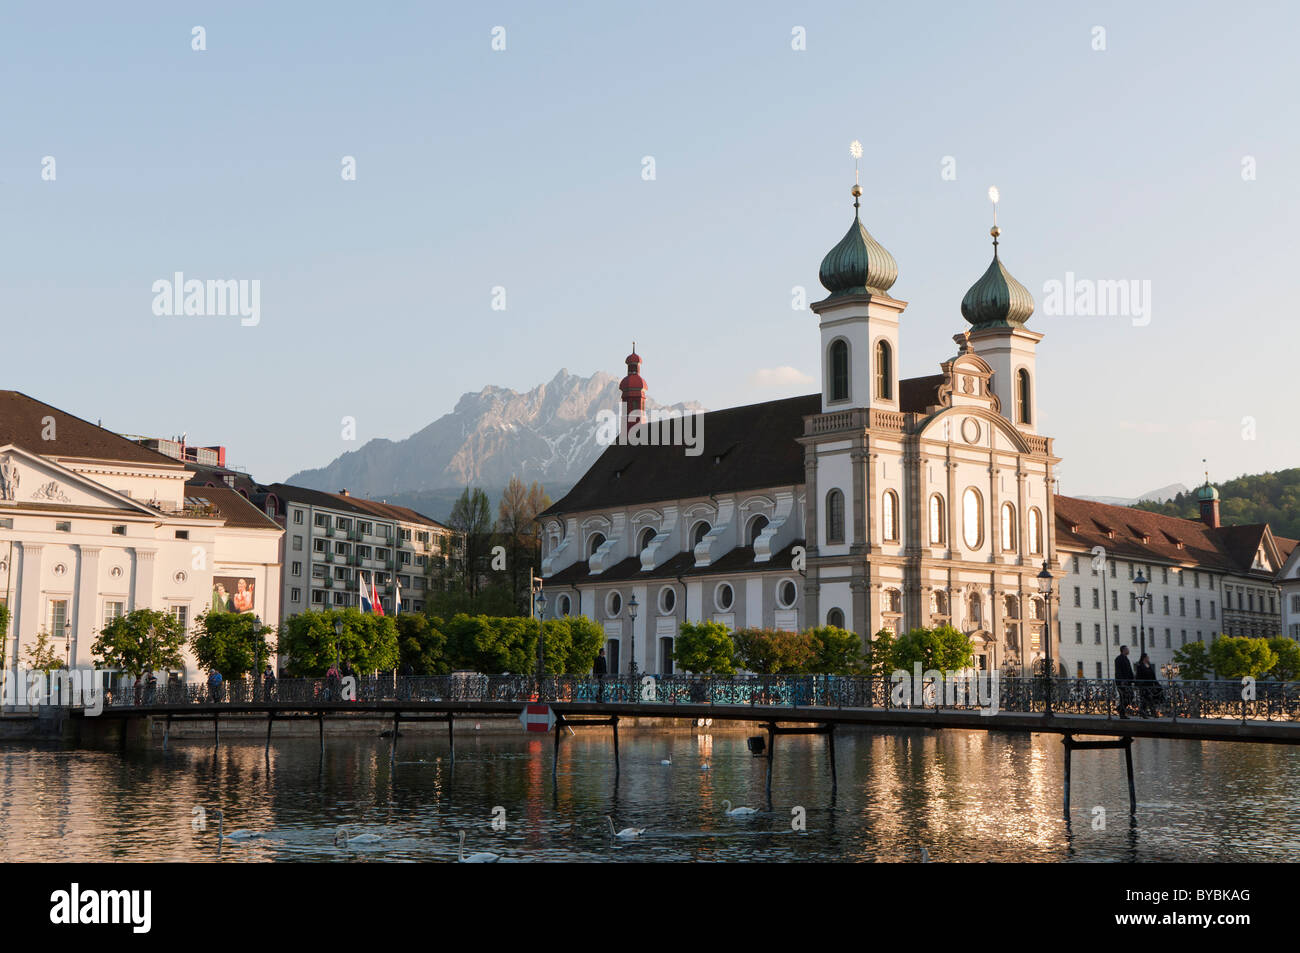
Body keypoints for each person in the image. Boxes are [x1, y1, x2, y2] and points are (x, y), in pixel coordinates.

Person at [1135, 652, 1160, 717]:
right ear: (1144, 658)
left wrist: (1156, 683)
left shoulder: (1148, 665)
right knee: (1146, 699)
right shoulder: (1140, 666)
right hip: (1144, 685)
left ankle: (1147, 712)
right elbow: (1138, 676)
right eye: (1147, 657)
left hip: (1150, 685)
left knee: (1148, 699)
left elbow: (1153, 675)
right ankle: (1151, 712)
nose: (1148, 658)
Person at [1114, 646, 1134, 718]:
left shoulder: (1126, 659)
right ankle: (1121, 712)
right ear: (1123, 650)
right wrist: (1121, 680)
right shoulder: (1118, 659)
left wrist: (1132, 679)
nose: (1128, 650)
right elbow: (1118, 671)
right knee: (1124, 697)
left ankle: (1120, 709)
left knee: (1130, 696)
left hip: (1127, 682)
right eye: (1127, 649)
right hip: (1122, 682)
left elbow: (1129, 671)